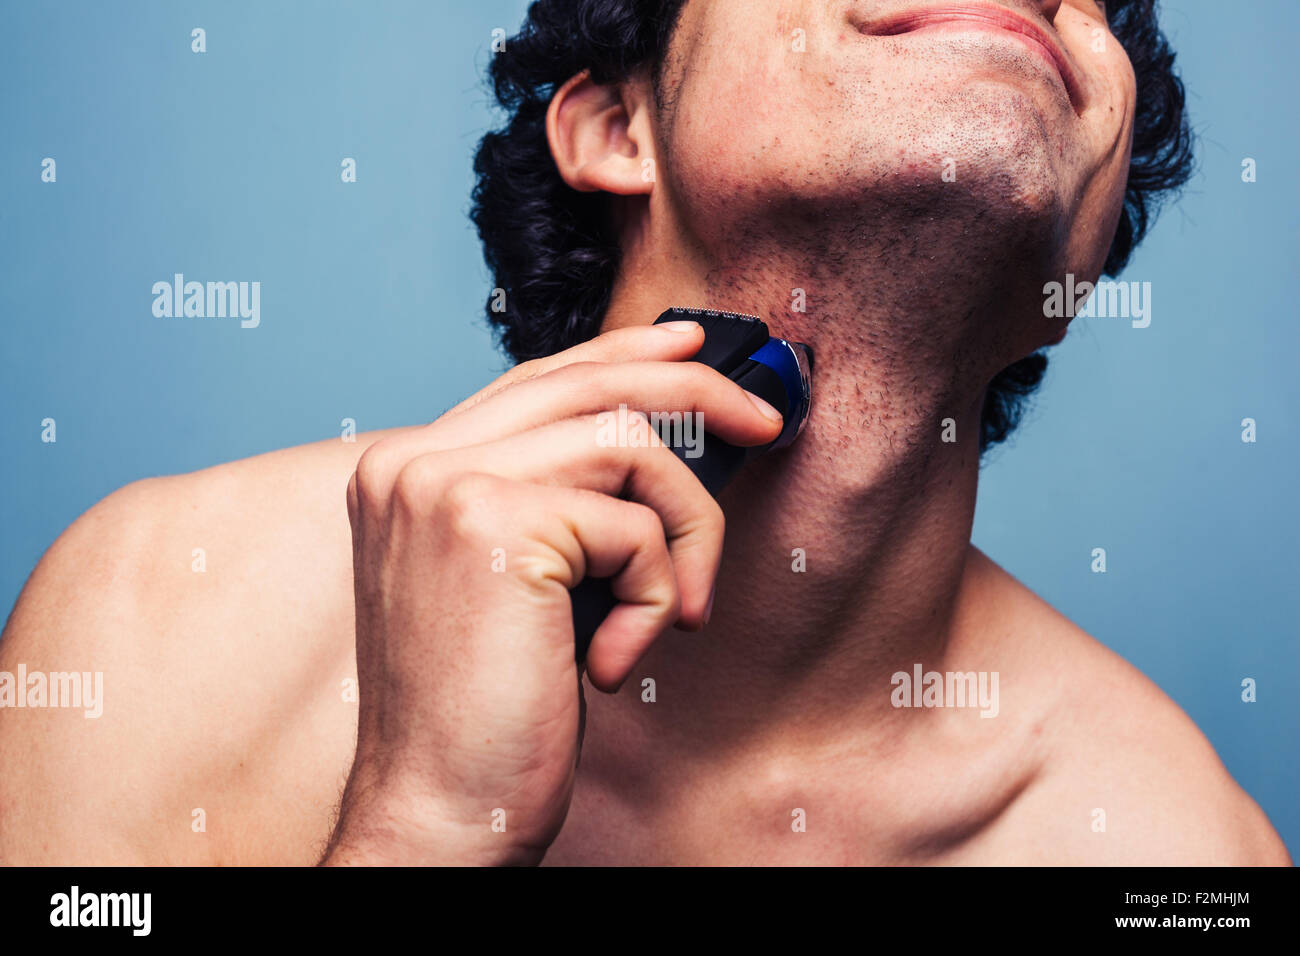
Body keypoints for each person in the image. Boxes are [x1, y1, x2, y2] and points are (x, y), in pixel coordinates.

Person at [0, 0, 1289, 865]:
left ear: (1082, 243)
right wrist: (420, 830)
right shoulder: (149, 620)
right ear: (621, 127)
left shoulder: (1172, 850)